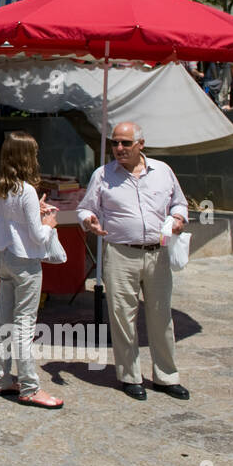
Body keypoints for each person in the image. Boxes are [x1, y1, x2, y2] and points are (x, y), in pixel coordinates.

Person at [78, 121, 190, 401]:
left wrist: (178, 218)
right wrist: (88, 220)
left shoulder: (163, 172)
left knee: (161, 316)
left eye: (125, 143)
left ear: (141, 144)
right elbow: (85, 208)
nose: (118, 148)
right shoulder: (103, 175)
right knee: (122, 317)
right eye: (115, 143)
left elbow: (180, 202)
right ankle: (130, 376)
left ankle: (166, 377)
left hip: (157, 253)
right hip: (120, 253)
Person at [0, 131, 64, 408]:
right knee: (24, 323)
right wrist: (50, 224)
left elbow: (11, 219)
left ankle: (1, 377)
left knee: (3, 320)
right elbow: (36, 234)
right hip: (25, 261)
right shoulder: (28, 190)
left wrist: (36, 211)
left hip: (6, 256)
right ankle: (30, 385)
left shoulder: (0, 185)